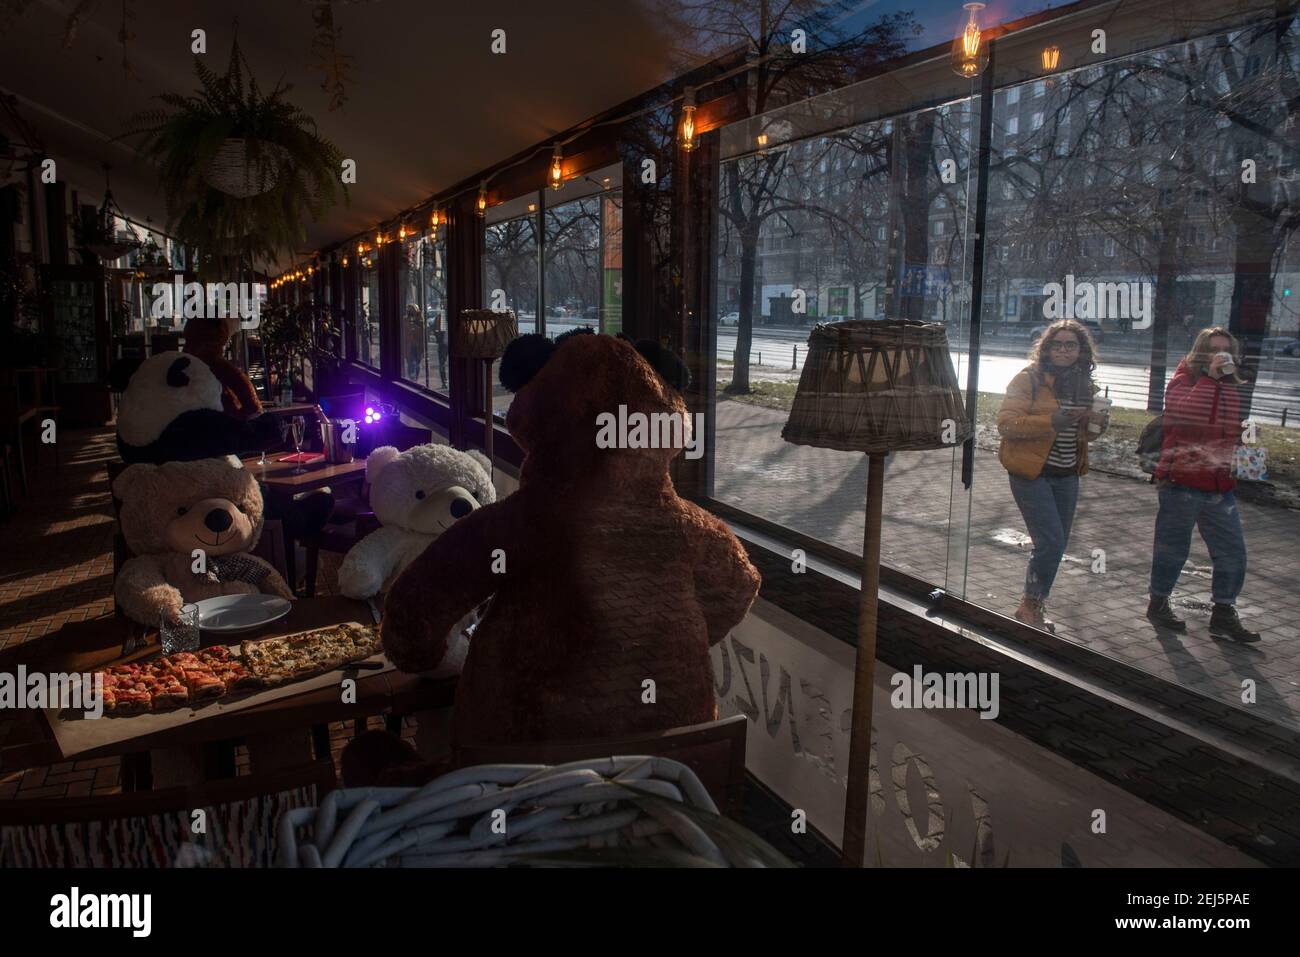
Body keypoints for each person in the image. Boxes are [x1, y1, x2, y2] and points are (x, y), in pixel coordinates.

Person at [1146, 327, 1259, 642]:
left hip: (1219, 483)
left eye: (1226, 350)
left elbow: (1219, 430)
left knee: (1232, 551)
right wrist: (1210, 378)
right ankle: (1158, 603)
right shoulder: (1184, 381)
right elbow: (1186, 414)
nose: (1221, 356)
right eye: (1214, 350)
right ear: (1201, 353)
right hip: (1182, 480)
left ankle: (1223, 612)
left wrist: (1242, 437)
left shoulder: (1230, 388)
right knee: (1173, 548)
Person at [997, 320, 1108, 630]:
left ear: (1081, 350)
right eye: (1057, 344)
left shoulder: (1085, 385)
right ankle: (1030, 605)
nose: (1063, 350)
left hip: (1067, 473)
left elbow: (1087, 435)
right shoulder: (1028, 379)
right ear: (1046, 348)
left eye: (1070, 345)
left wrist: (1098, 422)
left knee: (1055, 544)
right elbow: (1006, 424)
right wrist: (1052, 421)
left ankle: (1033, 603)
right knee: (1051, 544)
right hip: (1032, 473)